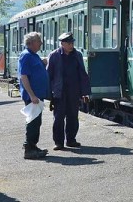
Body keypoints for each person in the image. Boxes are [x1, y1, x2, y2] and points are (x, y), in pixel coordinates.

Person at [47, 32, 91, 150]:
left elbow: (82, 74)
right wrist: (49, 92)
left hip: (74, 91)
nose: (71, 45)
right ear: (62, 44)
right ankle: (58, 142)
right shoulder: (54, 55)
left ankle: (71, 140)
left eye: (72, 43)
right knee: (59, 118)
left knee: (73, 116)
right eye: (69, 43)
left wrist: (84, 92)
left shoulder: (77, 55)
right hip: (59, 91)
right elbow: (49, 74)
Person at [18, 32, 49, 160]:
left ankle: (33, 146)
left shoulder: (33, 55)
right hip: (33, 96)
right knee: (33, 122)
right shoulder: (26, 56)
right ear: (30, 43)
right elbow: (23, 76)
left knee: (37, 121)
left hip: (37, 95)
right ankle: (29, 149)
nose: (41, 43)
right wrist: (32, 95)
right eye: (38, 41)